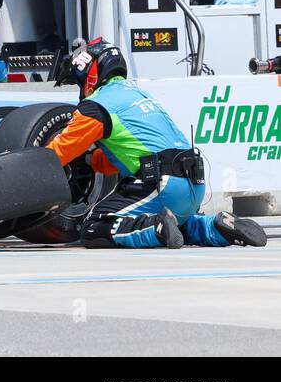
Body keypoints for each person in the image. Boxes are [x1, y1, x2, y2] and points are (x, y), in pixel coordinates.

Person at [48, 38, 267, 249]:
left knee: (93, 226)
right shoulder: (137, 94)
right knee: (177, 224)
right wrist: (91, 161)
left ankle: (154, 228)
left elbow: (56, 154)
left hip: (162, 183)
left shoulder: (95, 106)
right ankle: (216, 227)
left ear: (91, 72)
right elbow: (126, 154)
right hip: (193, 184)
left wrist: (28, 164)